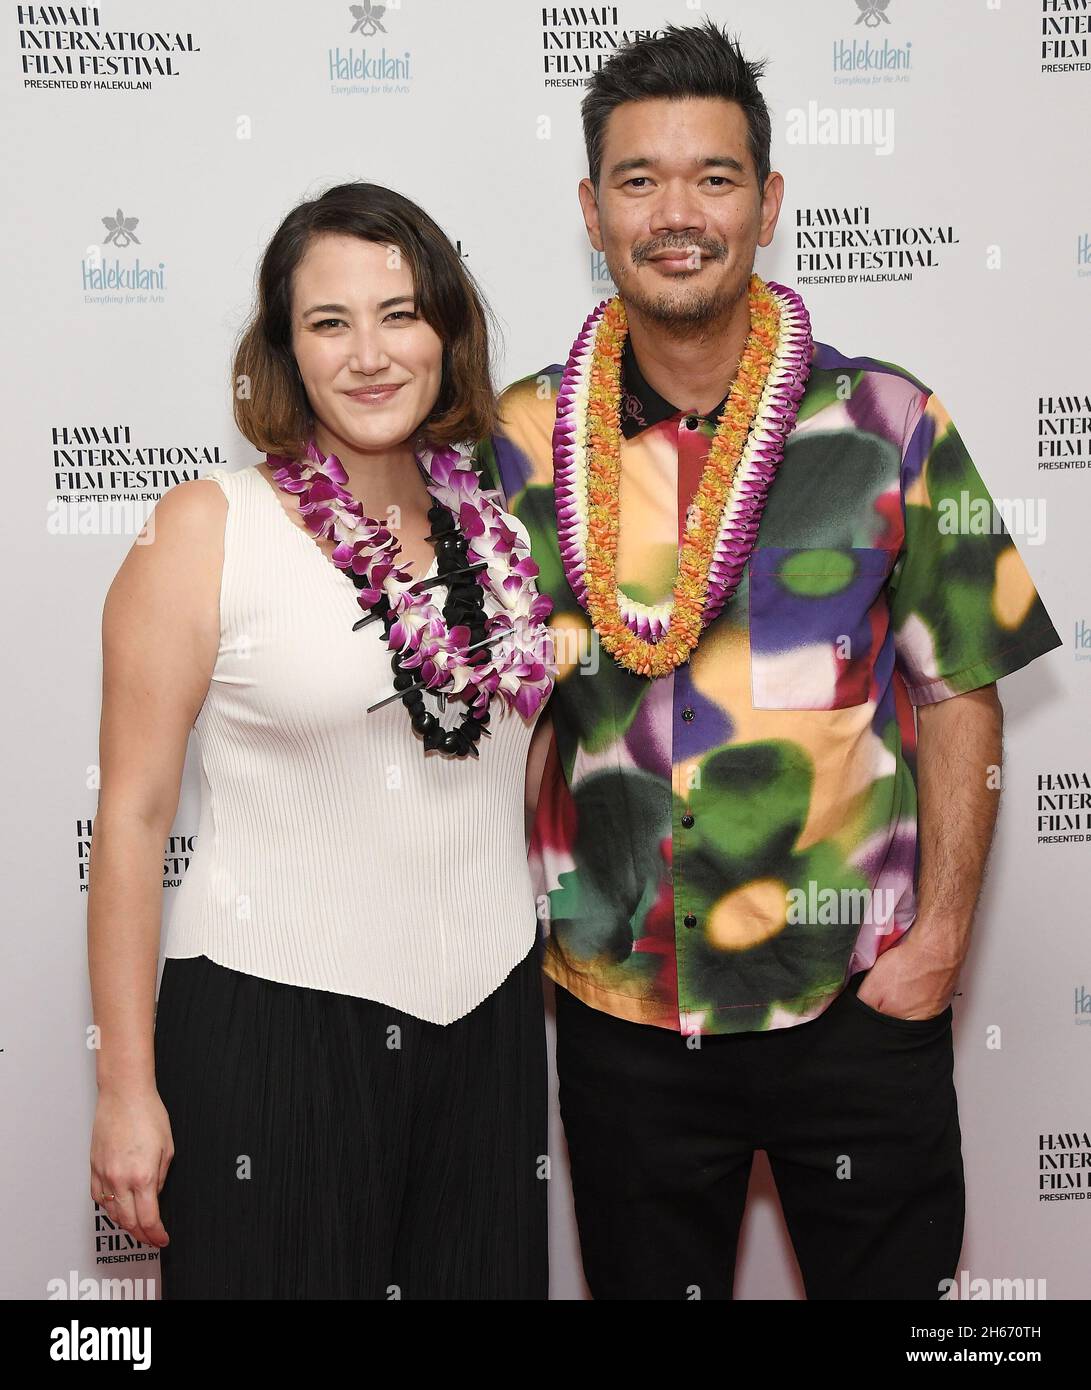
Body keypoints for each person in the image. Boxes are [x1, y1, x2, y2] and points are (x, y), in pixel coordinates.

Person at [472, 21, 1064, 1299]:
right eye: (637, 180)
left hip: (850, 1000)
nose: (674, 212)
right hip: (621, 1005)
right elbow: (474, 707)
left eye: (712, 176)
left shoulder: (888, 422)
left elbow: (962, 684)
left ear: (768, 200)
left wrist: (944, 931)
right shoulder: (518, 439)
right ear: (590, 207)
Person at [87, 181, 556, 1299]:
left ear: (447, 330)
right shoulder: (205, 527)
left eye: (399, 313)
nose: (369, 354)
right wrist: (125, 1090)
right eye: (327, 323)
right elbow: (133, 816)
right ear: (285, 353)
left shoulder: (502, 526)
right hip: (270, 1034)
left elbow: (521, 758)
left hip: (486, 1025)